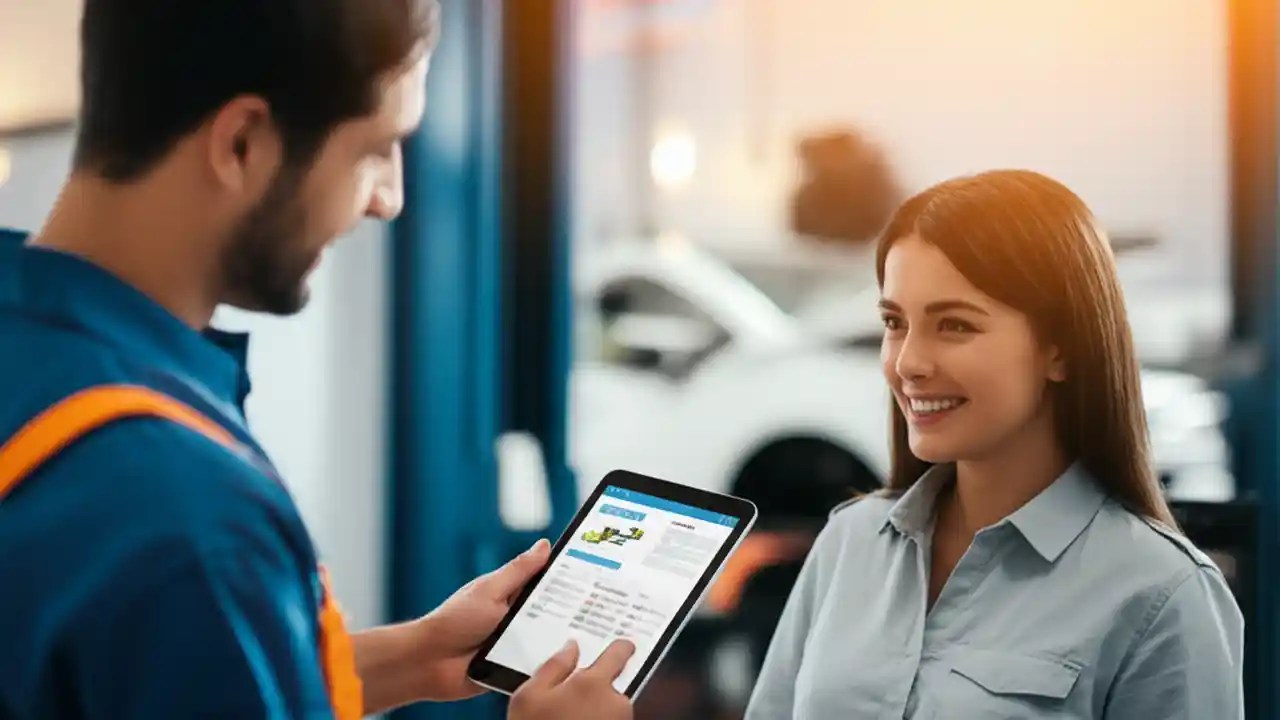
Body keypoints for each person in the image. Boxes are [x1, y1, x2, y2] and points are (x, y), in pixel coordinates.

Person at [0, 1, 633, 718]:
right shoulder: (191, 518)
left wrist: (417, 656)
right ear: (242, 143)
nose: (388, 200)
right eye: (374, 149)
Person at [744, 170, 1244, 719]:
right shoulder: (851, 541)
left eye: (955, 325)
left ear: (1062, 349)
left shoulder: (1164, 594)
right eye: (895, 321)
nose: (908, 362)